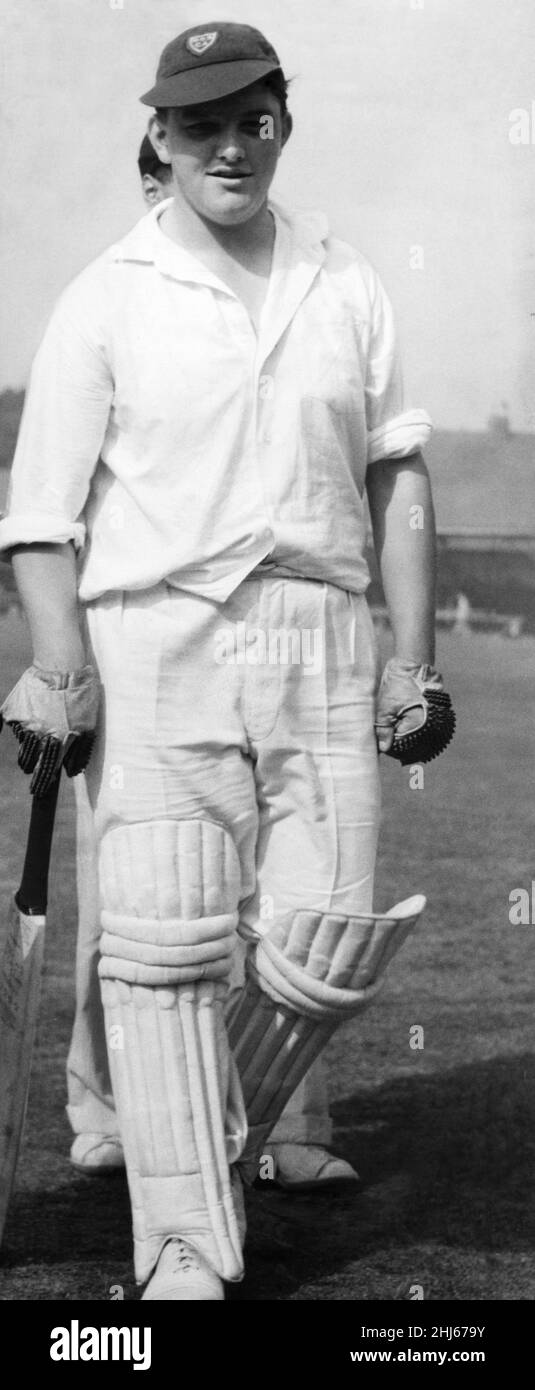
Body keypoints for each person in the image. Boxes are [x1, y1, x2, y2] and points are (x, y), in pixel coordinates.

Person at [0, 23, 438, 1300]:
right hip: (157, 637)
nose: (228, 145)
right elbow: (39, 519)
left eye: (252, 118)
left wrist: (411, 663)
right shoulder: (107, 294)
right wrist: (59, 661)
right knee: (169, 948)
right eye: (199, 124)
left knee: (329, 932)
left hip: (321, 632)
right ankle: (183, 1240)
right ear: (159, 136)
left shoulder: (344, 278)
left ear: (283, 125)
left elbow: (395, 470)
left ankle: (209, 1128)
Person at [67, 130, 355, 1192]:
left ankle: (281, 1124)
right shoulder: (112, 309)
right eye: (156, 178)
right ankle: (106, 1105)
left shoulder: (274, 313)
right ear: (151, 179)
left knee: (286, 909)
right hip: (138, 651)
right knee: (136, 917)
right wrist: (69, 664)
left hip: (275, 649)